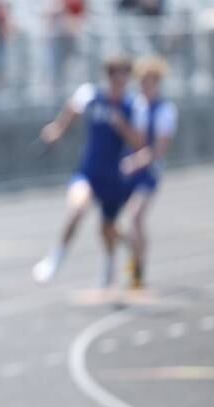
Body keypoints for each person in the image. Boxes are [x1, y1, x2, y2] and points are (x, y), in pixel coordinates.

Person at [32, 55, 147, 288]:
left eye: (124, 76)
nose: (119, 81)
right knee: (77, 208)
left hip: (114, 177)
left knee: (108, 229)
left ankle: (111, 263)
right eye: (115, 76)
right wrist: (57, 131)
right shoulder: (91, 96)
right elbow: (70, 113)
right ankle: (55, 259)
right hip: (89, 171)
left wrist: (122, 126)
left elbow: (139, 143)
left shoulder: (134, 105)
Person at [120, 55, 177, 288]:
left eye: (149, 80)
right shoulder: (135, 105)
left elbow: (158, 150)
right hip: (130, 168)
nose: (144, 84)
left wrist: (135, 162)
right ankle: (135, 260)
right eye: (142, 80)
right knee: (120, 222)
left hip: (147, 172)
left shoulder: (165, 110)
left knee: (134, 216)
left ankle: (138, 267)